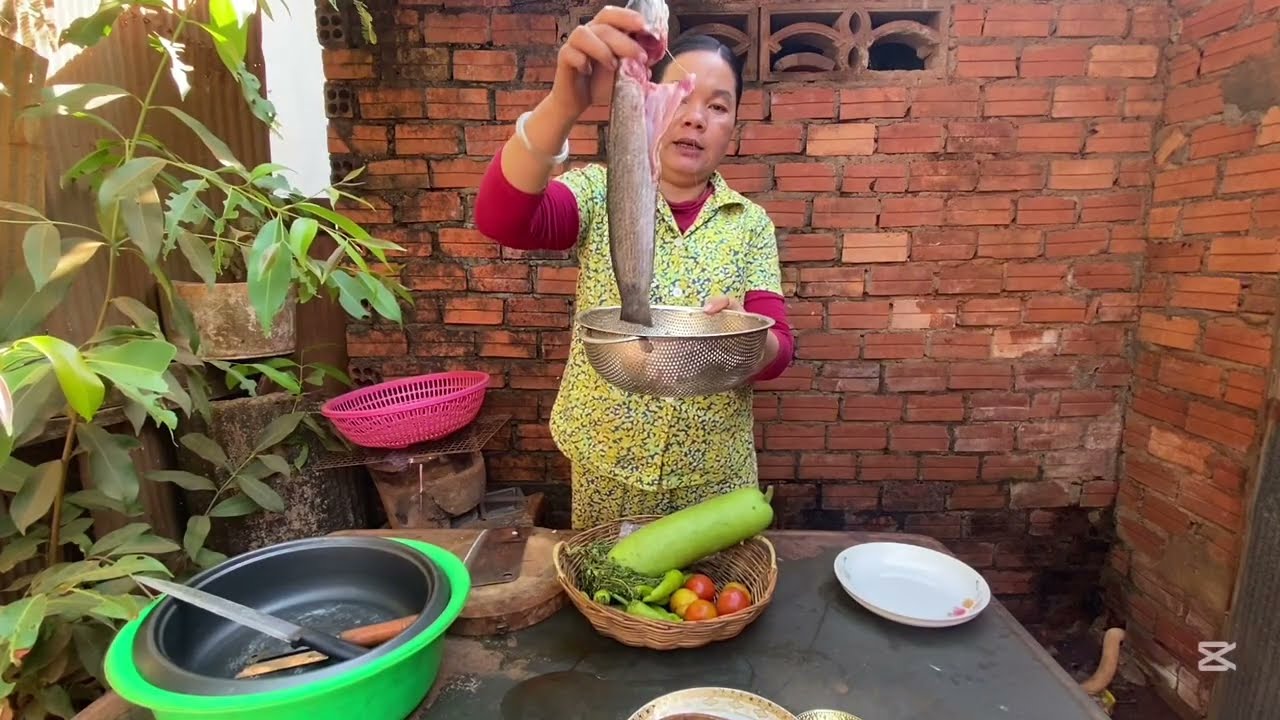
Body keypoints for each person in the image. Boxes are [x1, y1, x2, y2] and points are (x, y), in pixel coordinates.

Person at [473, 5, 795, 530]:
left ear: (734, 124)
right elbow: (502, 217)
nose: (696, 117)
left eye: (718, 106)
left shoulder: (749, 223)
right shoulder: (600, 192)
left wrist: (745, 334)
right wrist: (565, 102)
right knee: (613, 592)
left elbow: (780, 348)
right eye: (682, 97)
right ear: (648, 102)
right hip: (609, 464)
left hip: (712, 475)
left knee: (704, 607)